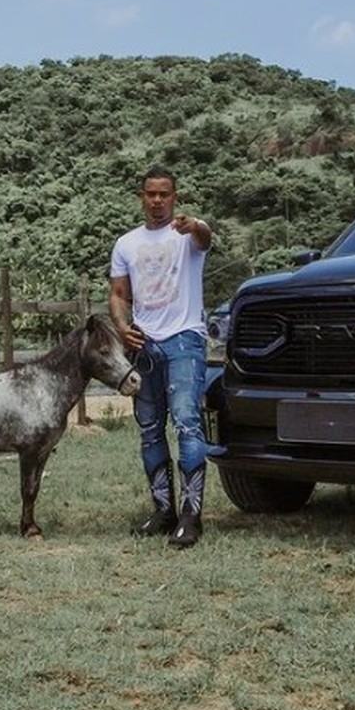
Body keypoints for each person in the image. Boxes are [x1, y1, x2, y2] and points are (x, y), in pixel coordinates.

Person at [109, 165, 216, 548]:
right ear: (142, 197)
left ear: (174, 197)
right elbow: (118, 294)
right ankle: (163, 509)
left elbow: (205, 237)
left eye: (164, 194)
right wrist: (122, 327)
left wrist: (196, 224)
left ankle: (191, 515)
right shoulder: (126, 244)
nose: (157, 200)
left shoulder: (187, 236)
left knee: (187, 422)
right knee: (150, 428)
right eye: (150, 194)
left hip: (184, 339)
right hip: (145, 344)